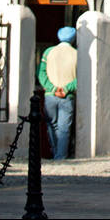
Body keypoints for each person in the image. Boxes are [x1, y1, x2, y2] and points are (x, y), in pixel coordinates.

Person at [39, 26, 77, 160]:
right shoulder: (77, 54)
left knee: (52, 125)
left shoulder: (48, 52)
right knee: (64, 128)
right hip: (67, 97)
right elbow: (80, 78)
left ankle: (56, 153)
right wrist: (66, 89)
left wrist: (53, 88)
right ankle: (60, 156)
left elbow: (41, 73)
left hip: (50, 95)